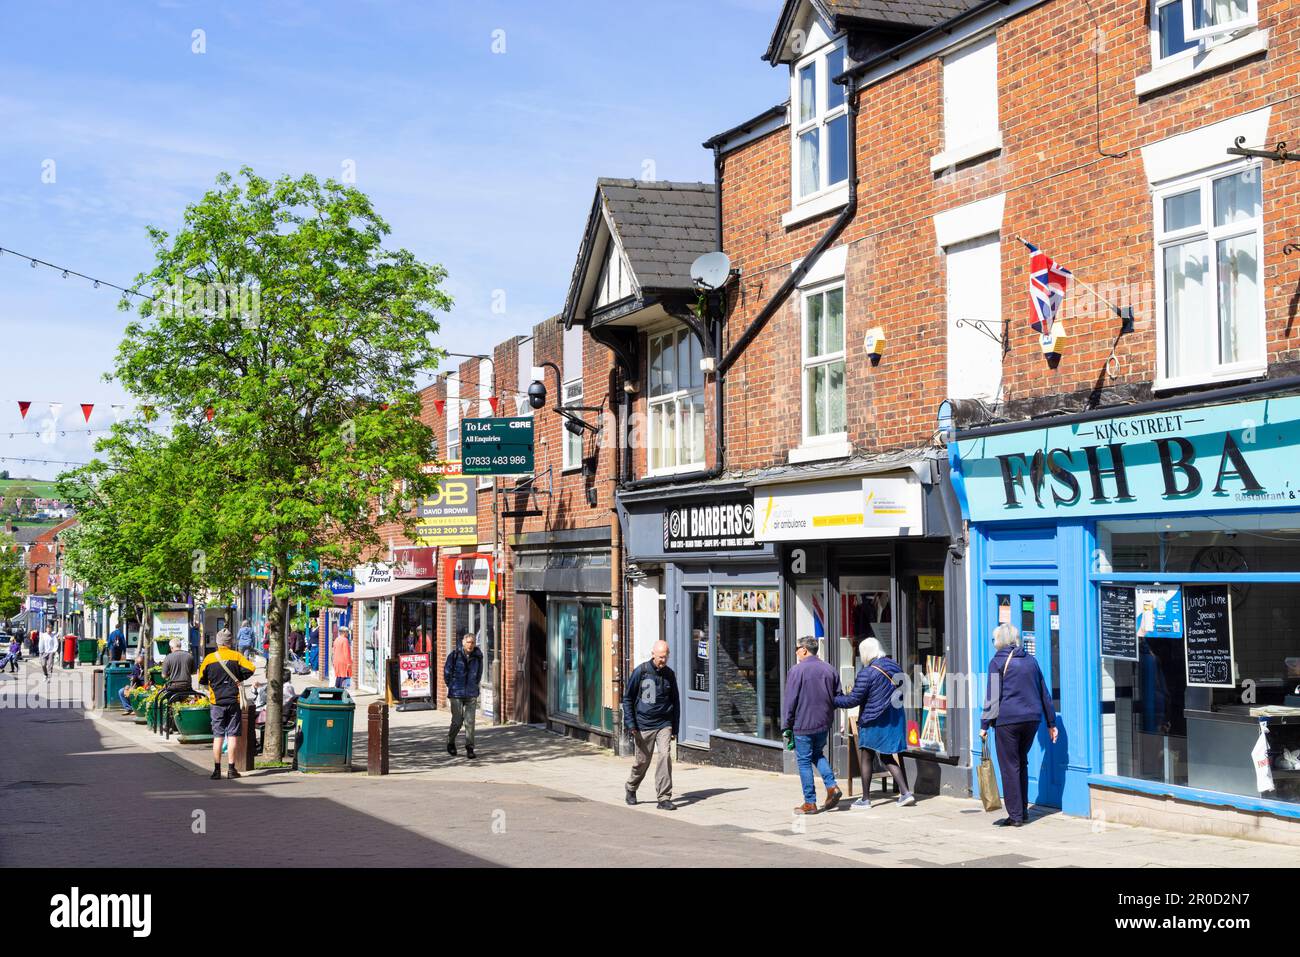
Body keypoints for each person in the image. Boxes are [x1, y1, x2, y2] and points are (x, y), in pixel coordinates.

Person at [980, 624, 1058, 828]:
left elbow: (992, 696)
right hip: (1032, 719)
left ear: (1000, 641)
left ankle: (1015, 815)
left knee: (1009, 766)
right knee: (1020, 762)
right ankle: (1022, 810)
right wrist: (1051, 722)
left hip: (1008, 720)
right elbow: (1044, 692)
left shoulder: (997, 661)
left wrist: (984, 725)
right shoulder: (1031, 661)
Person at [834, 637, 915, 809]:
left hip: (874, 719)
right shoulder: (895, 666)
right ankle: (906, 793)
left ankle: (865, 799)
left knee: (867, 756)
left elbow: (853, 700)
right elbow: (905, 689)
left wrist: (834, 700)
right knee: (887, 755)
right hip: (895, 717)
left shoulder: (867, 672)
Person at [783, 636, 843, 815]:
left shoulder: (797, 670)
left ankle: (810, 802)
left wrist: (786, 724)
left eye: (797, 648)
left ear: (804, 650)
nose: (795, 652)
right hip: (823, 723)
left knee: (803, 761)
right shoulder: (829, 669)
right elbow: (837, 696)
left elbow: (790, 700)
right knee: (817, 754)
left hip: (803, 723)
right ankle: (832, 786)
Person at [622, 639, 680, 810]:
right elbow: (628, 698)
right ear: (653, 654)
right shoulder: (640, 672)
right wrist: (631, 724)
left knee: (664, 756)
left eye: (665, 656)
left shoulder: (669, 674)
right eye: (660, 656)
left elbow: (676, 702)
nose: (663, 660)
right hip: (644, 724)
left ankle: (664, 798)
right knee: (642, 761)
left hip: (664, 723)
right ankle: (631, 787)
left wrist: (674, 728)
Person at [197, 629, 257, 780]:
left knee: (218, 735)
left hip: (216, 702)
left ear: (217, 642)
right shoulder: (236, 656)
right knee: (232, 735)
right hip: (233, 701)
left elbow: (201, 679)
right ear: (230, 642)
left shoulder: (209, 659)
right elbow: (251, 668)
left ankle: (216, 770)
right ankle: (231, 769)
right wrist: (239, 677)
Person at [444, 633, 484, 758]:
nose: (470, 645)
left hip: (471, 693)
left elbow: (479, 674)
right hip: (456, 692)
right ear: (463, 642)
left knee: (470, 721)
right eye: (468, 642)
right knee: (457, 721)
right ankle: (450, 743)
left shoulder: (478, 657)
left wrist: (473, 684)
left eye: (472, 642)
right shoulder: (454, 655)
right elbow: (447, 672)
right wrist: (451, 685)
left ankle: (470, 747)